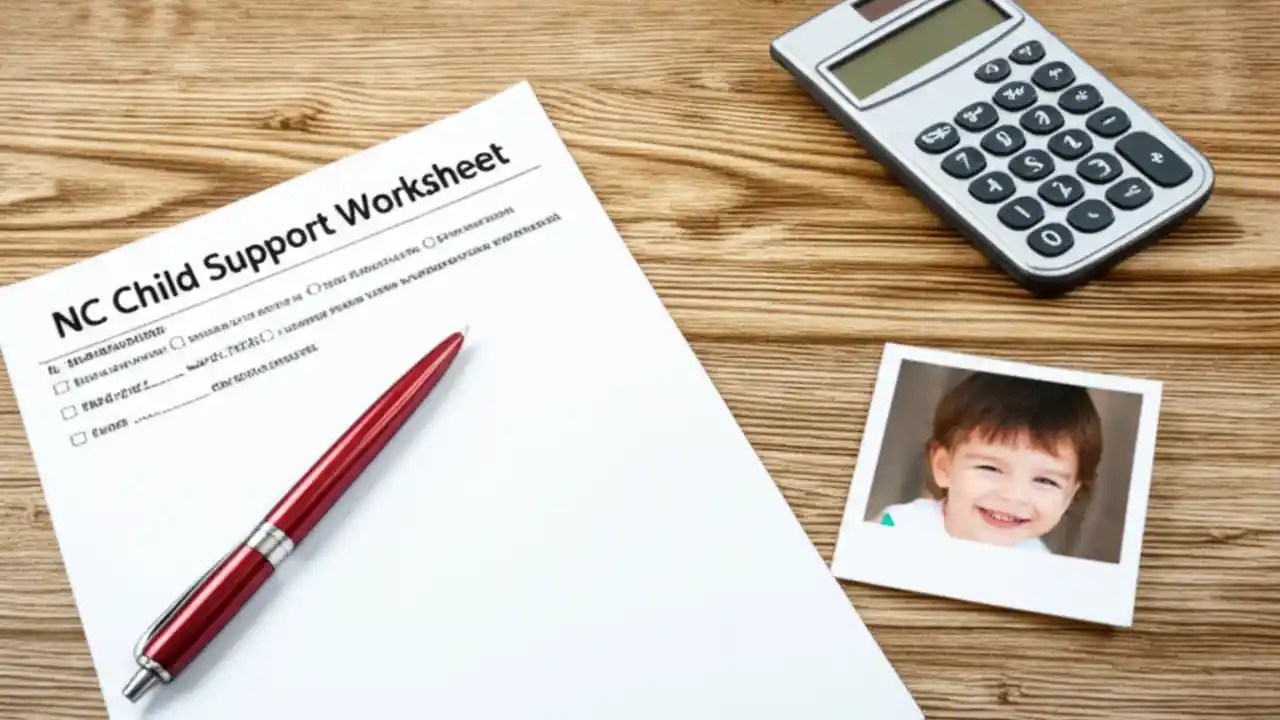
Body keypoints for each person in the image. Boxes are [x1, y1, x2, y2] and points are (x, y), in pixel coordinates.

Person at [877, 371, 1102, 553]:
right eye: (990, 468)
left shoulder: (1039, 568)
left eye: (1045, 481)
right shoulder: (898, 528)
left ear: (1069, 496)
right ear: (944, 466)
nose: (1014, 496)